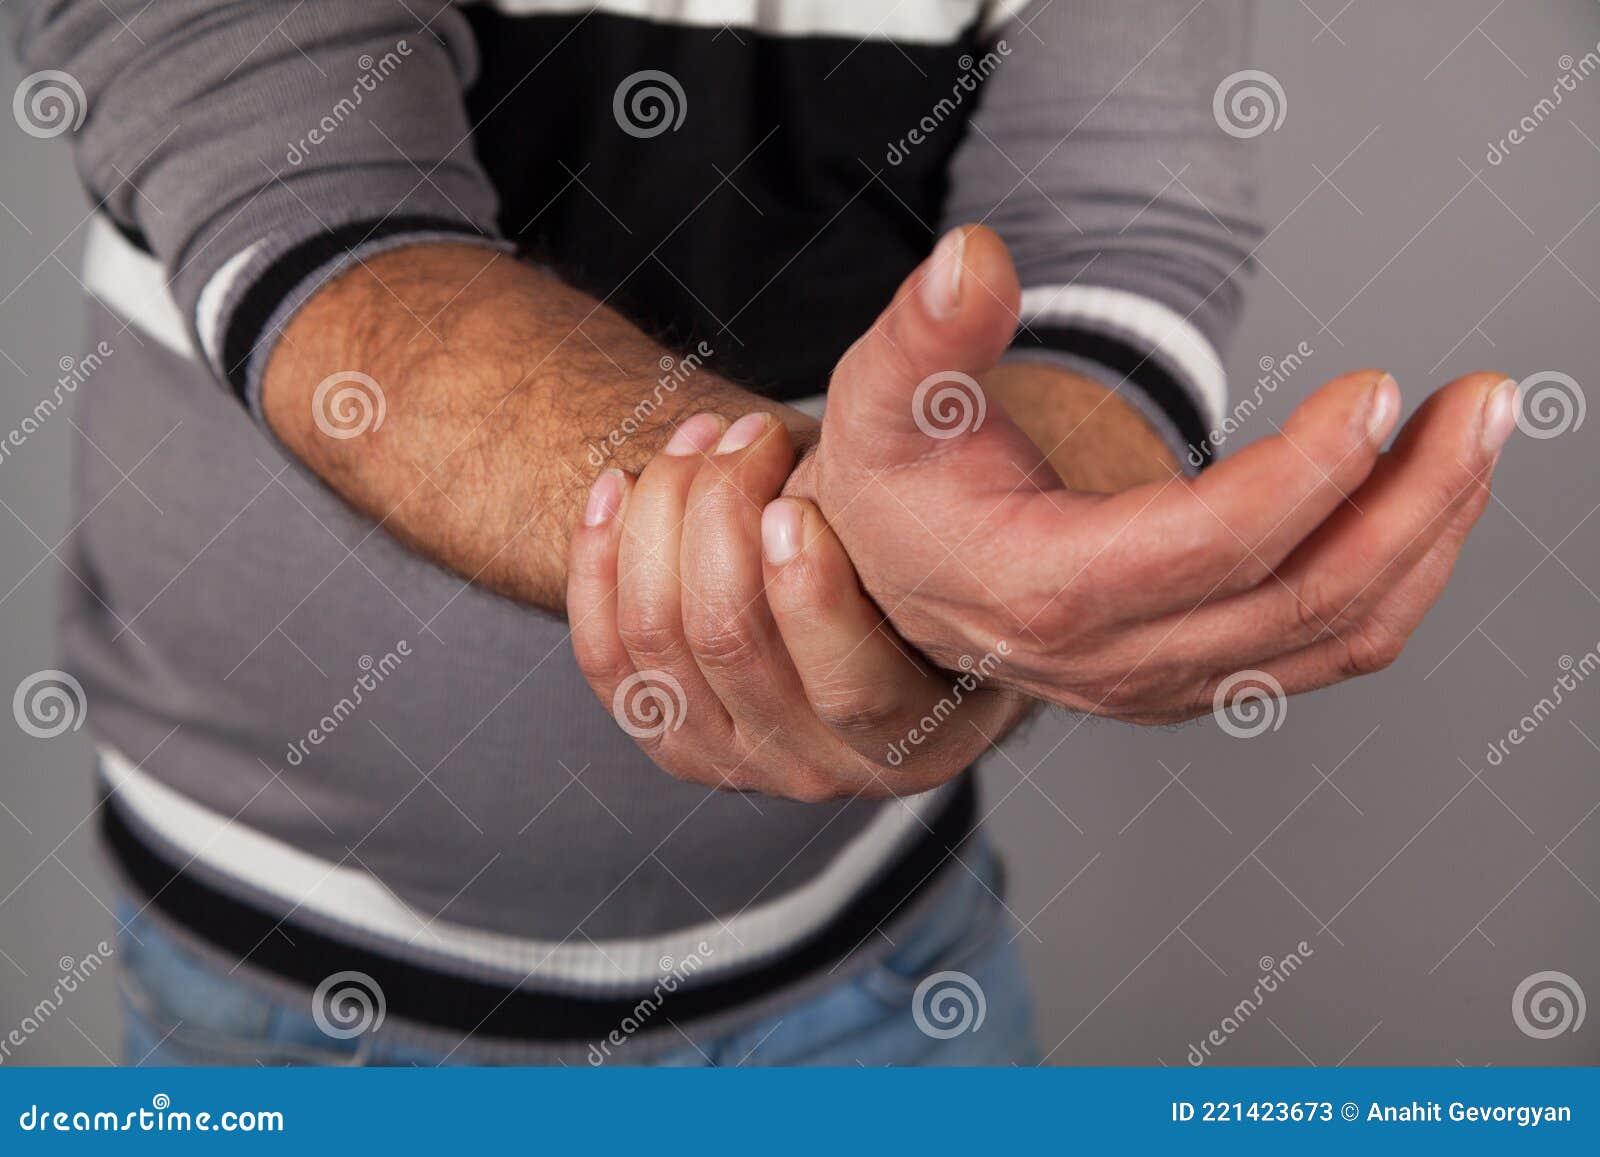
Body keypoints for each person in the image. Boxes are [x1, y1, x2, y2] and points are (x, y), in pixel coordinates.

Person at [12, 0, 1512, 1065]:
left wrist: (1020, 546)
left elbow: (1114, 242)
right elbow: (311, 210)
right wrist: (868, 558)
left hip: (876, 968)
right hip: (280, 993)